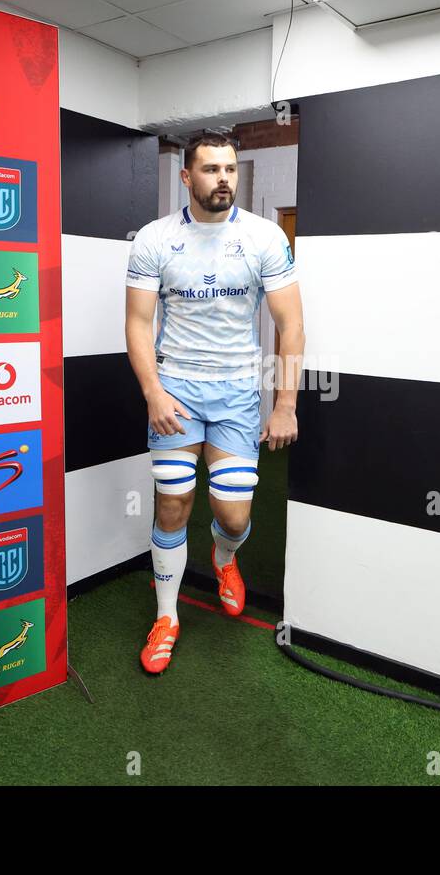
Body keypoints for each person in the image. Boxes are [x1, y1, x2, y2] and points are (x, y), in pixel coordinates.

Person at [123, 131, 304, 674]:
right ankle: (166, 617)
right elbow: (137, 323)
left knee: (232, 513)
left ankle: (224, 559)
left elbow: (290, 324)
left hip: (235, 393)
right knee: (173, 501)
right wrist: (153, 393)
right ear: (187, 177)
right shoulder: (155, 239)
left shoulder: (264, 236)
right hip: (175, 389)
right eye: (210, 169)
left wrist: (285, 403)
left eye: (230, 169)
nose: (223, 178)